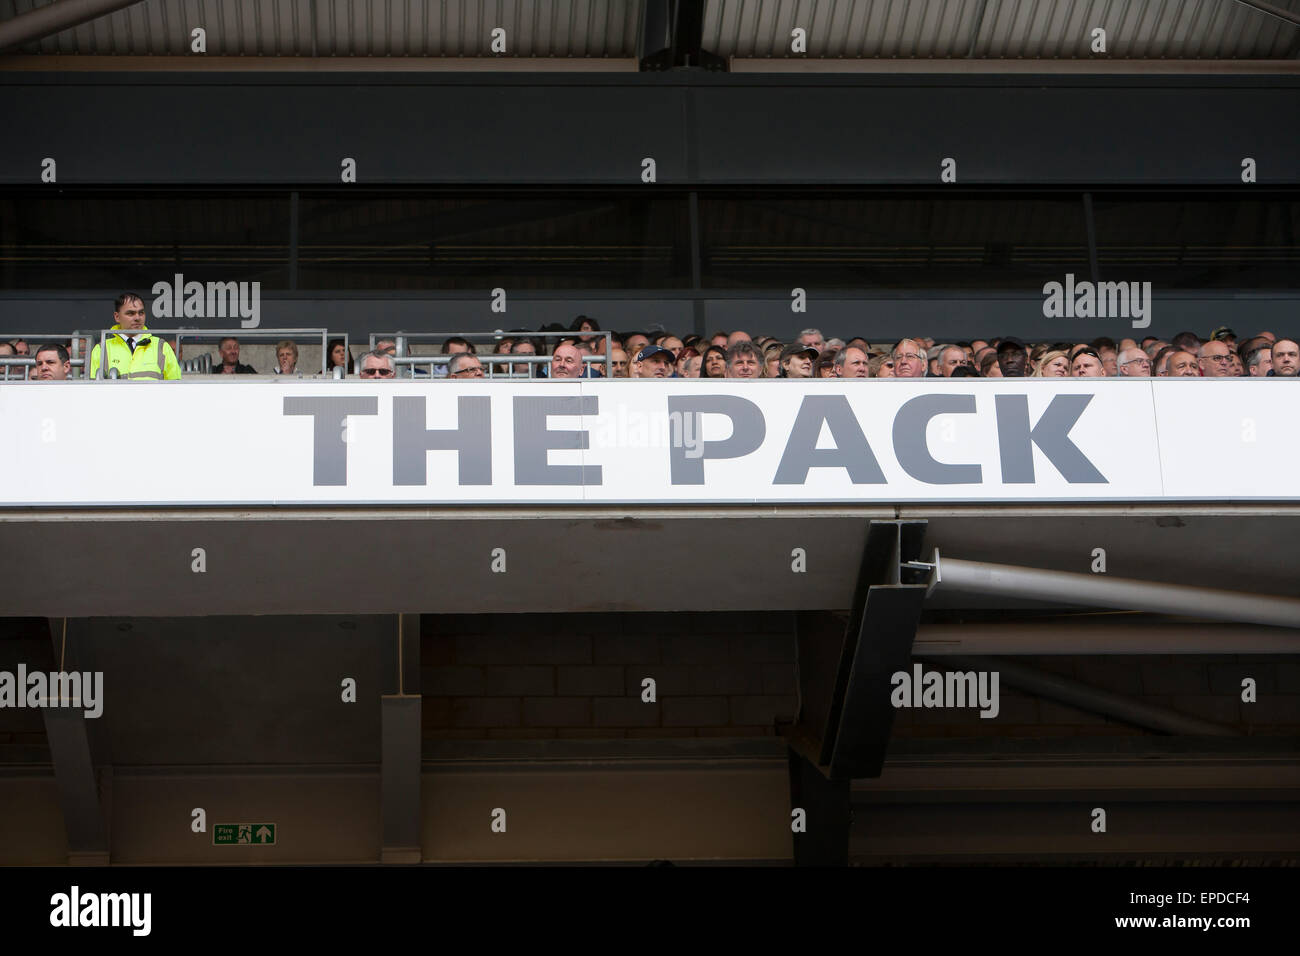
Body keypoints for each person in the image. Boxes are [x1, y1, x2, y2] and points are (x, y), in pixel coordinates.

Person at [88, 293, 182, 381]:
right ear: (117, 317)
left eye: (141, 313)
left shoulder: (162, 347)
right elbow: (92, 390)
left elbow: (177, 388)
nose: (137, 318)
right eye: (130, 313)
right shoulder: (101, 349)